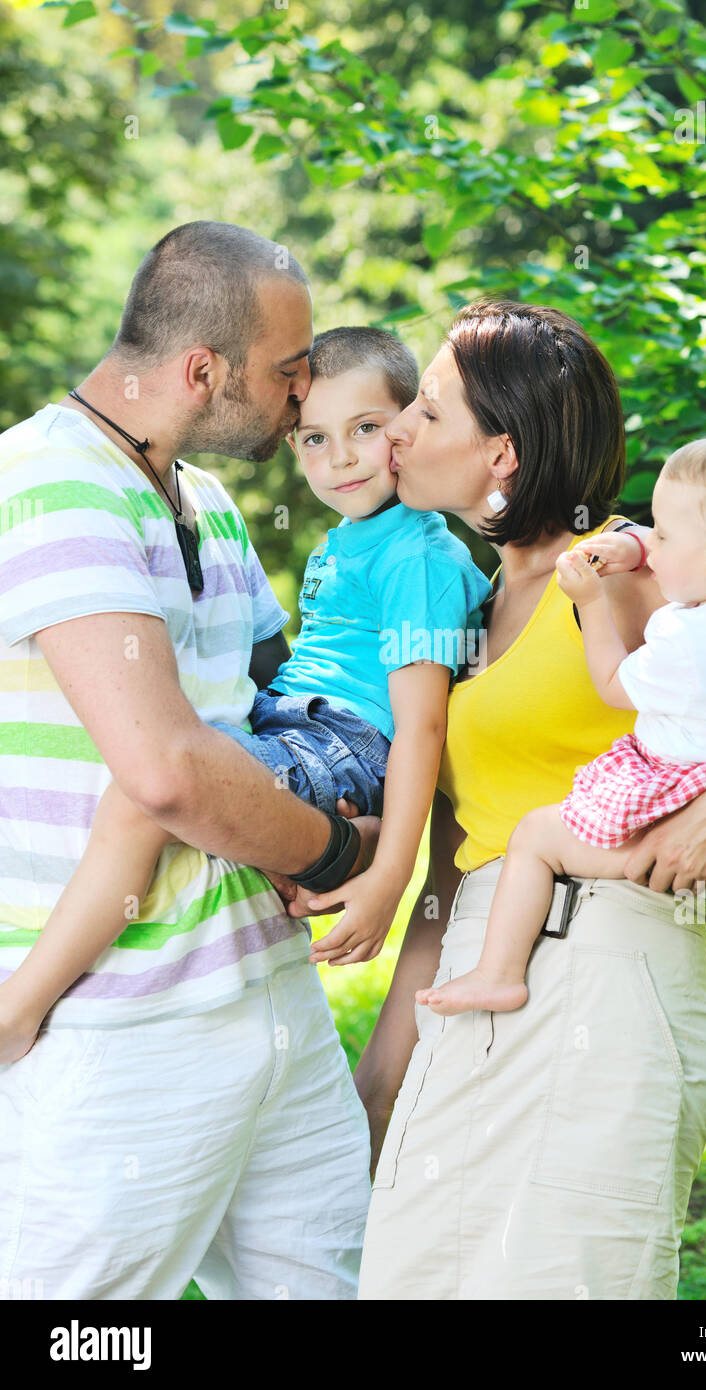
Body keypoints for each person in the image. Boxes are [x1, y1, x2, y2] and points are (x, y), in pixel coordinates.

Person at [326, 299, 706, 1301]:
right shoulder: (470, 606)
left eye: (428, 412)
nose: (396, 430)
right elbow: (454, 867)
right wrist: (385, 1068)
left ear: (502, 453)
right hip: (482, 984)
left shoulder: (624, 568)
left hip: (609, 975)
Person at [0, 222, 383, 1300]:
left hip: (271, 1001)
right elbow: (166, 769)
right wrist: (336, 848)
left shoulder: (205, 501)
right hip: (120, 1022)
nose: (303, 399)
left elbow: (270, 703)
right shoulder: (47, 481)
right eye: (288, 372)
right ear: (201, 370)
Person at [0, 326, 489, 1059]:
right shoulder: (351, 541)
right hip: (296, 723)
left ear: (410, 427)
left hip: (342, 741)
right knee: (170, 763)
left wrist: (393, 869)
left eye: (366, 429)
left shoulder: (417, 556)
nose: (343, 457)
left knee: (150, 793)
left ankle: (18, 1007)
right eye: (315, 439)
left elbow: (422, 727)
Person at [415, 430, 706, 1095]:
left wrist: (588, 603)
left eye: (664, 536)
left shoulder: (685, 638)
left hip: (670, 823)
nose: (651, 542)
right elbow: (692, 563)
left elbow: (615, 684)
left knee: (537, 837)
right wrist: (639, 545)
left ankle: (497, 972)